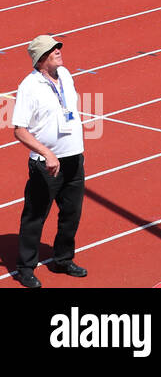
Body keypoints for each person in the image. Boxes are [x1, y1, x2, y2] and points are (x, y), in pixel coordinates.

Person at [12, 35, 89, 288]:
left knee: (71, 213)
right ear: (41, 57)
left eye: (58, 47)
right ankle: (25, 268)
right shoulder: (29, 87)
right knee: (35, 217)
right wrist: (47, 153)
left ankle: (63, 259)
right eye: (53, 49)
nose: (58, 51)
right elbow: (20, 130)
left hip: (73, 159)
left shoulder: (66, 74)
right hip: (46, 165)